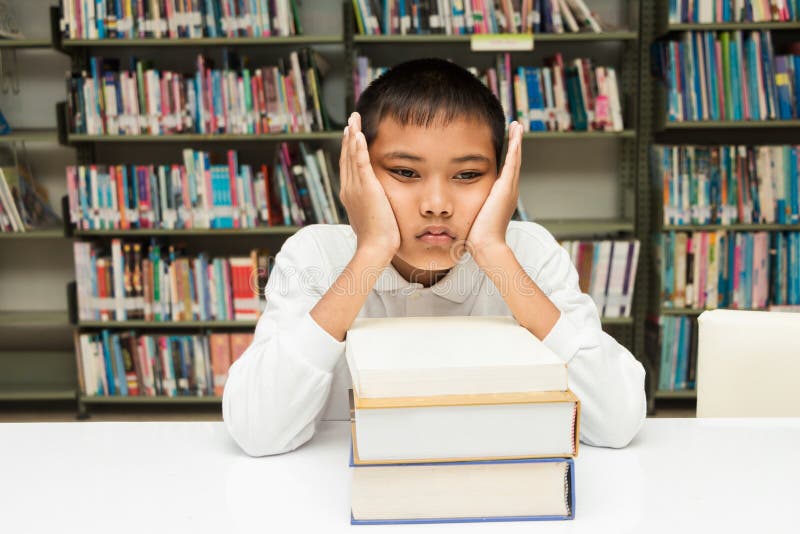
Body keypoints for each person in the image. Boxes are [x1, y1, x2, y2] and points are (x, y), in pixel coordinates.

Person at [223, 58, 646, 457]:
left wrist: (494, 252)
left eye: (467, 175)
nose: (437, 204)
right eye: (405, 173)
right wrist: (371, 250)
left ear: (503, 179)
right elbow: (259, 431)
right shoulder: (313, 253)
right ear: (358, 171)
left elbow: (616, 421)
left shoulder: (528, 252)